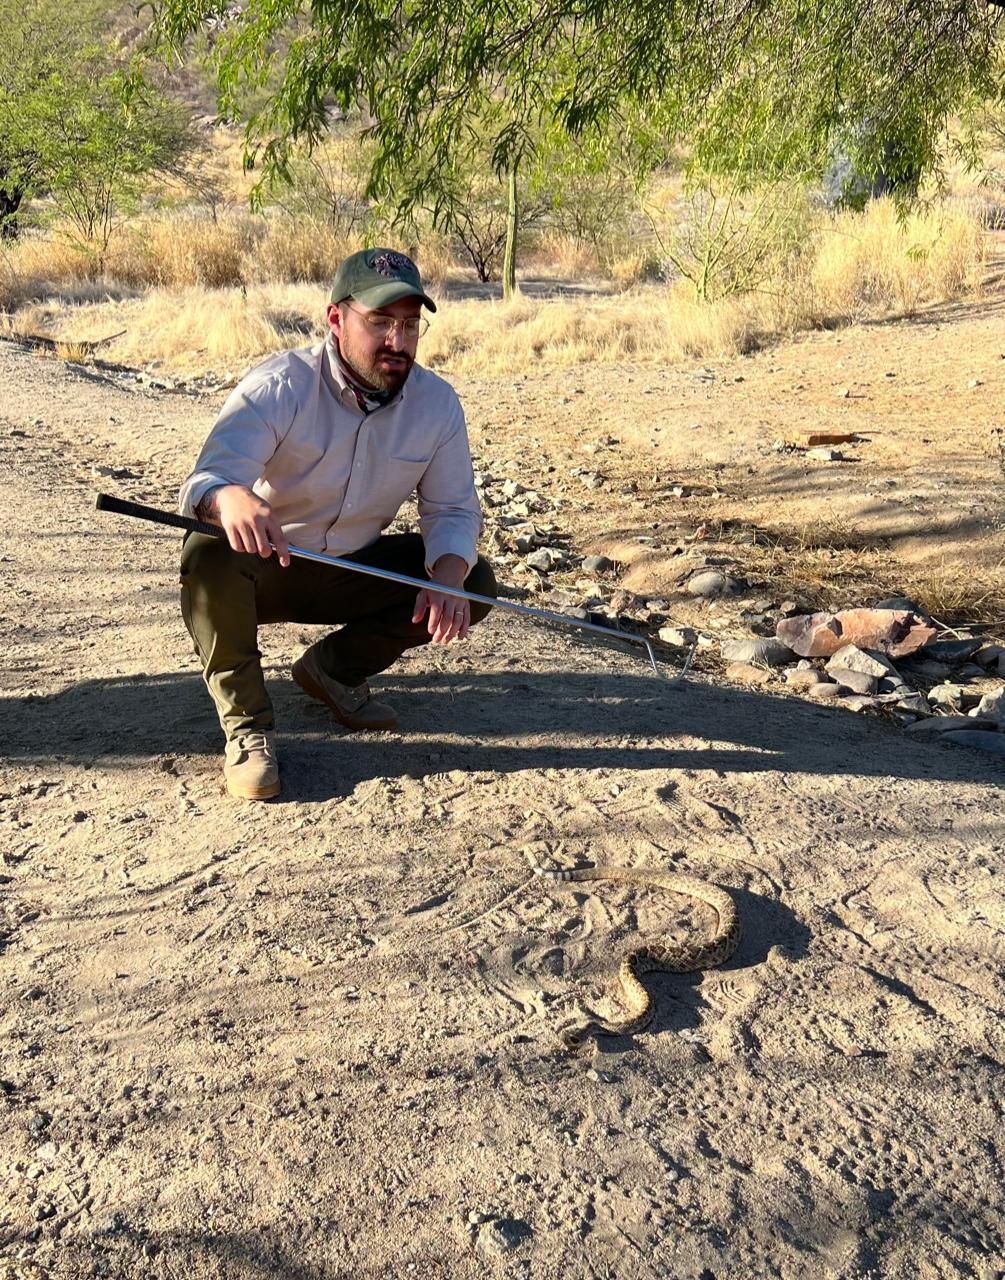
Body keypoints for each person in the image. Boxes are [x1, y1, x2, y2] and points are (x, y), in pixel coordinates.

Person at [178, 248, 496, 801]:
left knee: (472, 580)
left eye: (409, 325)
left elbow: (452, 511)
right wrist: (229, 499)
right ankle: (248, 730)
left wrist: (446, 575)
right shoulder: (279, 385)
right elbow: (206, 481)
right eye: (379, 323)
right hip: (269, 564)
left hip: (355, 568)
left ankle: (332, 672)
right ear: (336, 319)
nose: (397, 342)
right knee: (206, 553)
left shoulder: (437, 405)